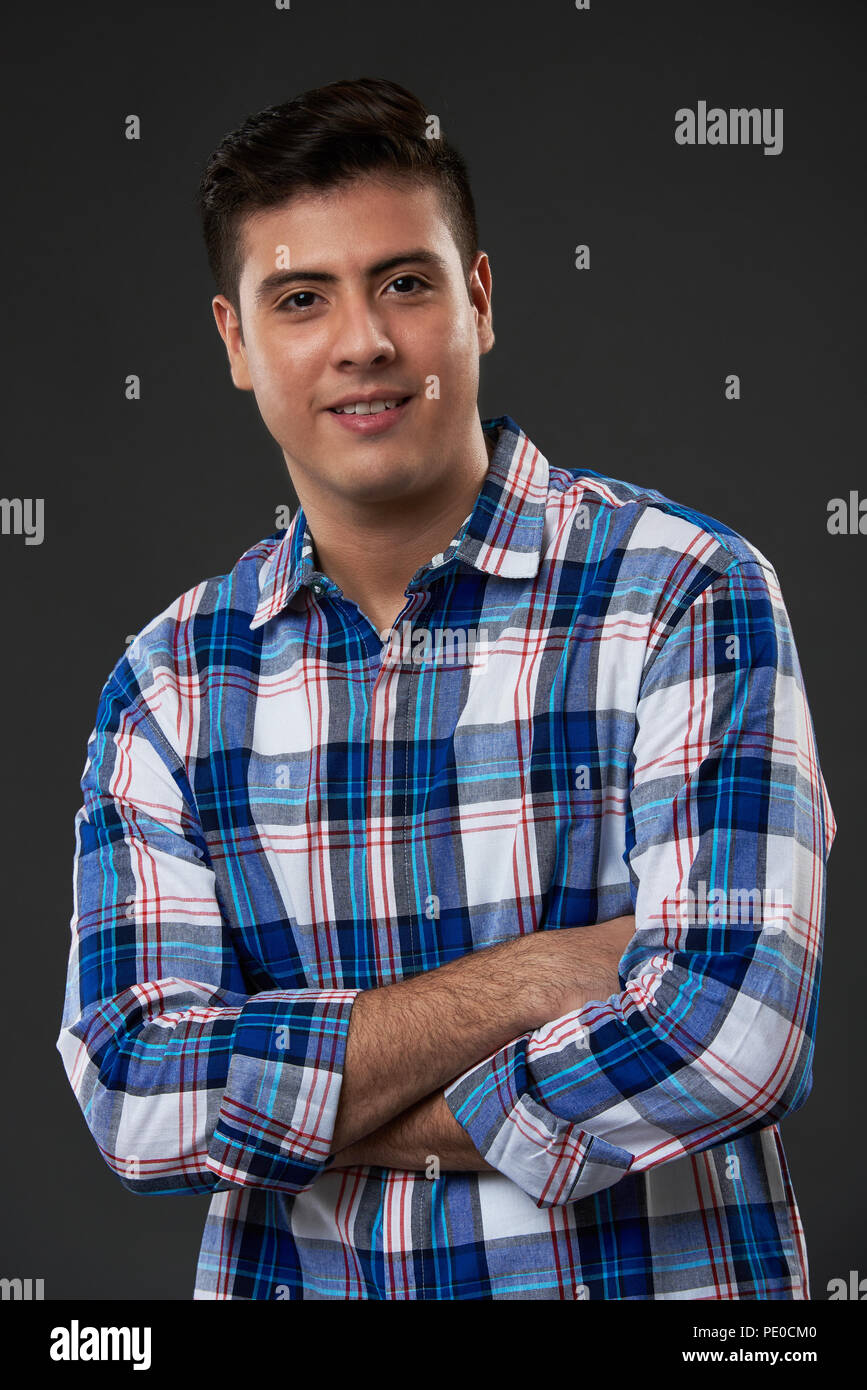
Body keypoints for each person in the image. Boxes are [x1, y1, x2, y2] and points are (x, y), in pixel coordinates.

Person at [57, 76, 836, 1301]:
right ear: (235, 341)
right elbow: (136, 1094)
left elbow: (730, 1037)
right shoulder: (171, 681)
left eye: (405, 282)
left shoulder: (687, 594)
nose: (362, 339)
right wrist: (534, 980)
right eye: (301, 298)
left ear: (478, 299)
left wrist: (298, 1107)